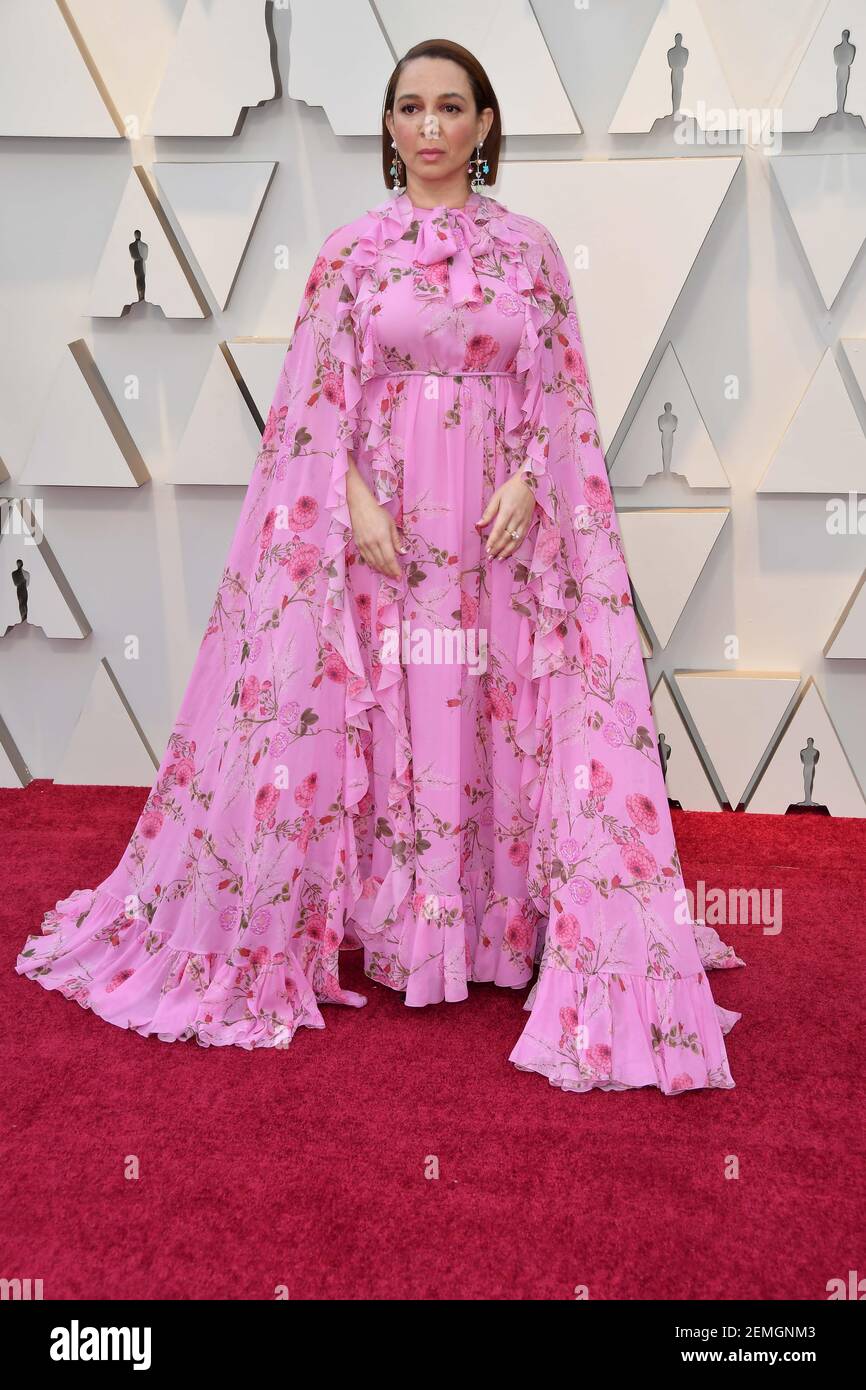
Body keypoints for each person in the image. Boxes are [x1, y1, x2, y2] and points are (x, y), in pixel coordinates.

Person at [15, 39, 744, 1094]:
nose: (432, 127)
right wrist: (350, 498)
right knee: (397, 707)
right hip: (386, 535)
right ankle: (401, 931)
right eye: (411, 108)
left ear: (485, 125)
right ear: (390, 127)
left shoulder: (531, 252)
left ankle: (499, 935)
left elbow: (563, 398)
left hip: (496, 532)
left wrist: (534, 482)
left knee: (499, 710)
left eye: (452, 108)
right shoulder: (352, 253)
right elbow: (310, 403)